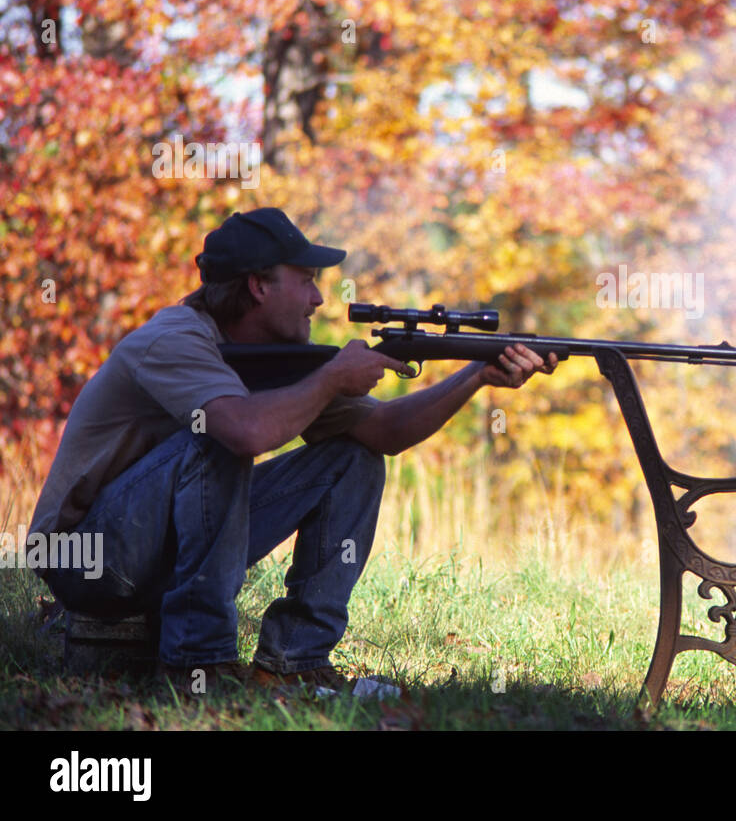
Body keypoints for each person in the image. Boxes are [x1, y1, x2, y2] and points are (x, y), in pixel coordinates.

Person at [28, 208, 556, 694]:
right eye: (305, 281)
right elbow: (246, 433)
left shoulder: (275, 361)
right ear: (258, 286)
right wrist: (329, 379)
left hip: (154, 551)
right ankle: (199, 663)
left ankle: (292, 661)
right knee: (222, 434)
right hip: (89, 561)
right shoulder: (174, 338)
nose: (318, 299)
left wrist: (475, 376)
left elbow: (386, 434)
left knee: (352, 459)